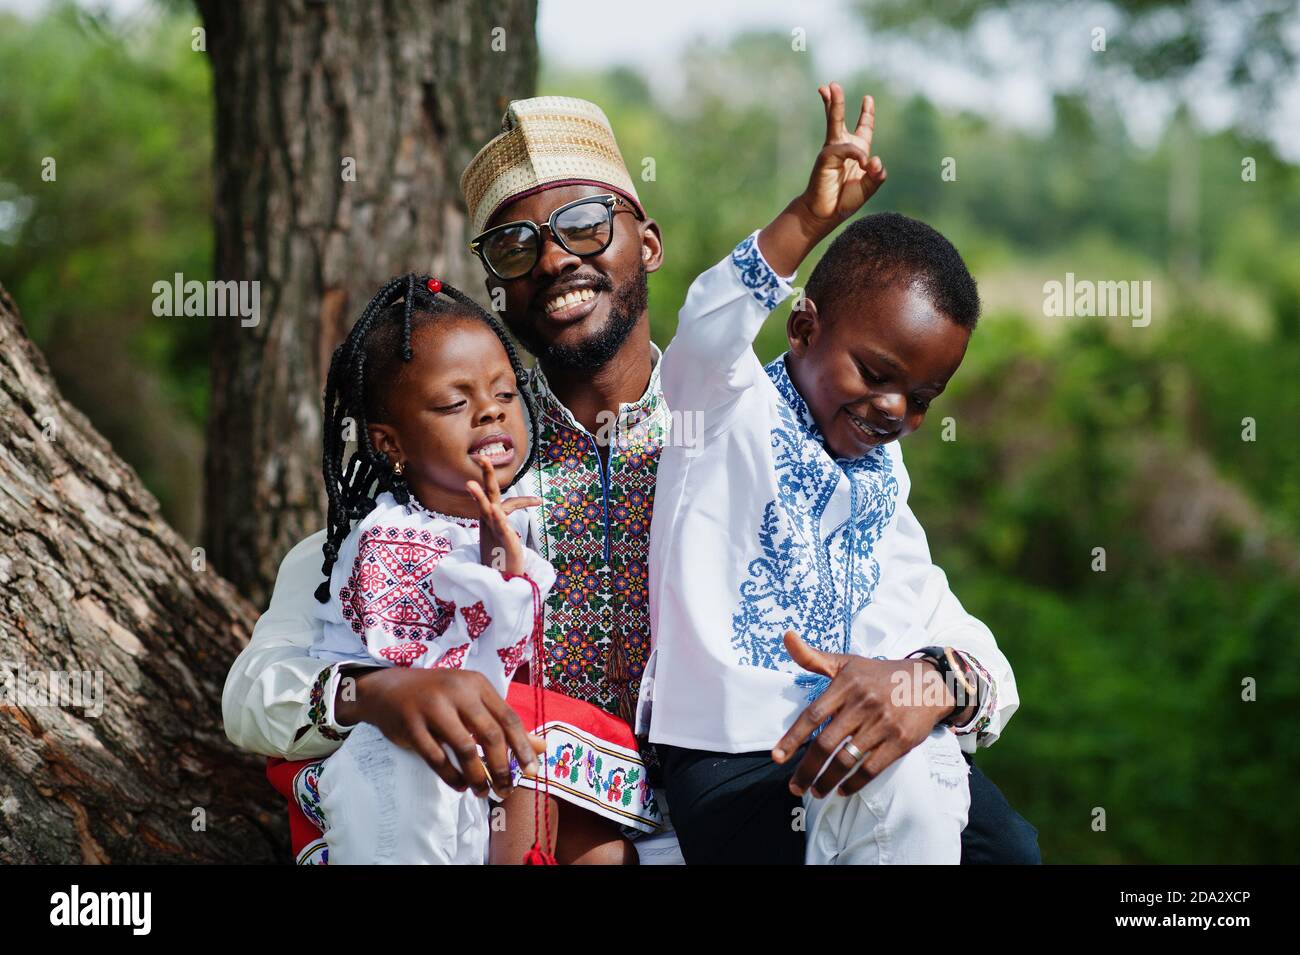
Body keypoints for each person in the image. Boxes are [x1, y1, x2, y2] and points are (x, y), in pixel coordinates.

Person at [225, 92, 1037, 864]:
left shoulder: (764, 437)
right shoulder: (451, 472)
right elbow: (259, 689)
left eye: (582, 223)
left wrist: (929, 681)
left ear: (645, 242)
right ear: (498, 294)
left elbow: (964, 645)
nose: (552, 258)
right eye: (516, 245)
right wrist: (382, 692)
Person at [644, 83, 997, 863]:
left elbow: (948, 624)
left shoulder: (880, 476)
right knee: (904, 795)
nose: (892, 408)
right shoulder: (724, 409)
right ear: (803, 326)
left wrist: (929, 680)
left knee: (1008, 845)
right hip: (737, 756)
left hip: (857, 736)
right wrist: (806, 222)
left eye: (922, 396)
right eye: (873, 371)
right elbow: (704, 331)